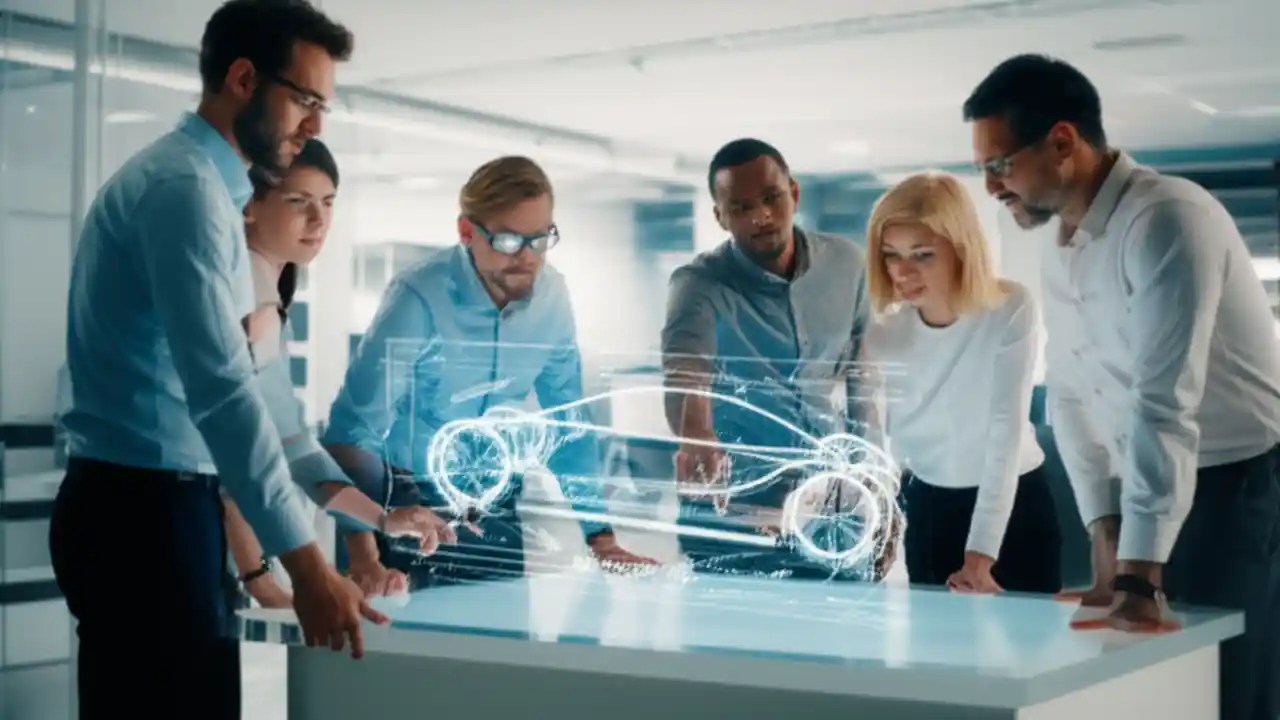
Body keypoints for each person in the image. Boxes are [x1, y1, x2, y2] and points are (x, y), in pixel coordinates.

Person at [49, 3, 380, 718]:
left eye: (322, 107)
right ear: (243, 79)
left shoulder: (197, 187)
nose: (314, 127)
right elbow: (224, 393)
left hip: (151, 508)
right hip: (144, 515)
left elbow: (267, 417)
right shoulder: (187, 193)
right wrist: (307, 565)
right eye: (306, 100)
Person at [965, 53, 1280, 720]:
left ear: (1062, 142)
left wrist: (1139, 573)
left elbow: (1164, 402)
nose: (990, 186)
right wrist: (1104, 534)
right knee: (1161, 690)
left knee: (1225, 687)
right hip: (1156, 480)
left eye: (1000, 164)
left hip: (1238, 482)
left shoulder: (1167, 219)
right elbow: (1071, 390)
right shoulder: (1062, 242)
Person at [322, 155, 654, 592]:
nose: (528, 258)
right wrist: (363, 555)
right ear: (467, 232)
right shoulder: (417, 298)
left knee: (502, 628)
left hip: (495, 496)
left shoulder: (552, 298)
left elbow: (568, 422)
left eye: (540, 240)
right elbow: (353, 431)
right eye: (510, 241)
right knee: (412, 631)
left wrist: (601, 538)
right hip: (408, 501)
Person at [224, 138, 451, 608]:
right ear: (249, 205)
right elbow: (225, 461)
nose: (319, 220)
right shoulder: (240, 301)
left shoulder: (268, 297)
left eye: (328, 203)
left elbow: (293, 446)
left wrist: (383, 519)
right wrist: (267, 586)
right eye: (298, 201)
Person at [660, 138, 884, 580]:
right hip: (736, 502)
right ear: (720, 216)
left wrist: (871, 479)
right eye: (741, 207)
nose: (760, 216)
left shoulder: (846, 264)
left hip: (829, 497)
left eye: (771, 198)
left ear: (794, 193)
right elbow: (685, 369)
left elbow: (863, 375)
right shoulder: (698, 285)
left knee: (847, 617)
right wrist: (697, 431)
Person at [862, 170, 1060, 594]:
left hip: (1013, 503)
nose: (903, 271)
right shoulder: (882, 334)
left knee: (1028, 635)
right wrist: (881, 516)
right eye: (891, 254)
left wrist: (980, 555)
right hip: (930, 506)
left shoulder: (1009, 307)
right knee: (935, 636)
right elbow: (884, 441)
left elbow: (1005, 432)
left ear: (960, 248)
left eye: (922, 255)